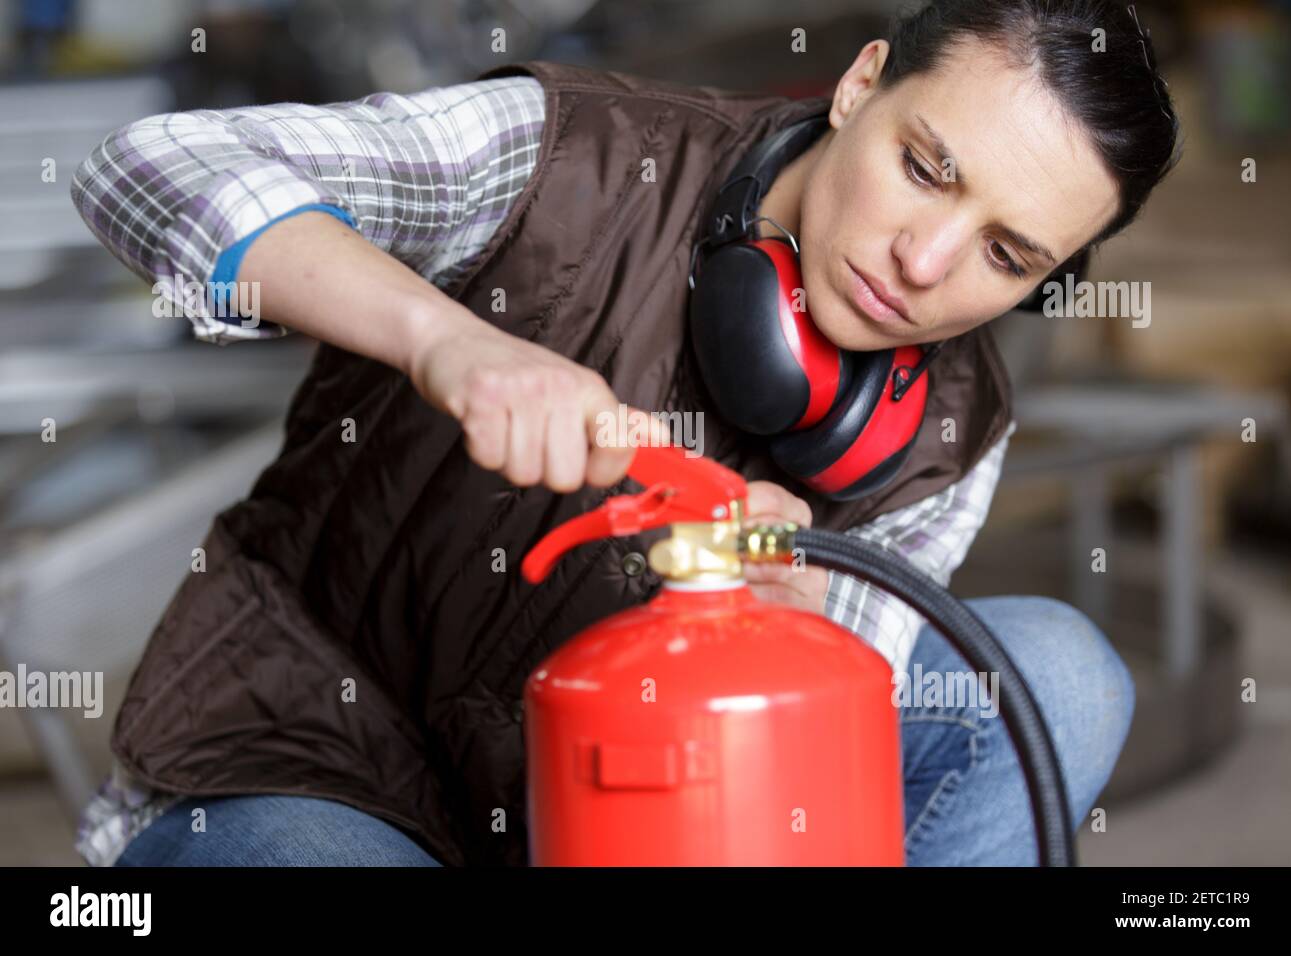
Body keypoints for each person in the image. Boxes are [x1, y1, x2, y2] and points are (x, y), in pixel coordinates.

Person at [71, 0, 1177, 867]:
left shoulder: (948, 427)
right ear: (859, 85)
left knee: (1056, 675)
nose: (923, 265)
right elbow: (149, 163)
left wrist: (782, 631)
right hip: (309, 756)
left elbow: (797, 789)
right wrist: (447, 340)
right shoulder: (571, 158)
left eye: (1005, 255)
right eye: (925, 169)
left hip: (627, 794)